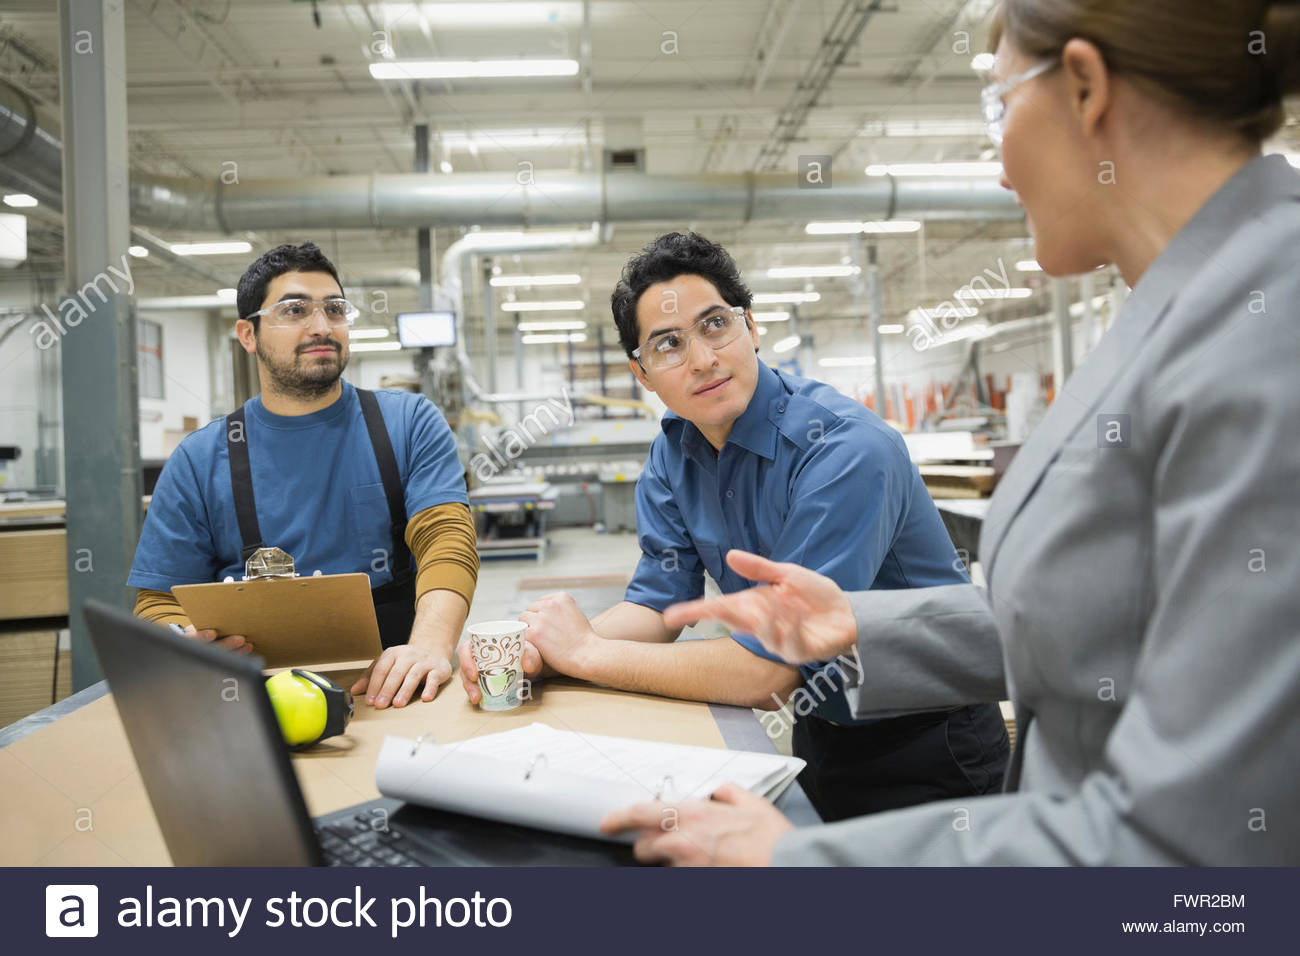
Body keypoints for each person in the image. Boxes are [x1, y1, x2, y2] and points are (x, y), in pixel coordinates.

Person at [600, 0, 1300, 865]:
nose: (1001, 167)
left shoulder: (1269, 331)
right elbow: (1105, 619)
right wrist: (862, 627)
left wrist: (803, 864)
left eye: (997, 106)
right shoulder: (1191, 307)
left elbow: (1198, 835)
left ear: (1084, 86)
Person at [458, 232, 1009, 821]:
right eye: (668, 344)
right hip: (820, 730)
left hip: (932, 743)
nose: (702, 358)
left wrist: (587, 654)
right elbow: (656, 605)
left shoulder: (846, 450)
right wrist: (541, 649)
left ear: (751, 327)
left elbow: (767, 670)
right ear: (642, 372)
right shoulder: (674, 455)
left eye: (715, 325)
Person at [130, 242, 478, 710]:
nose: (321, 326)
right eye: (294, 310)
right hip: (251, 695)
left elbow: (446, 539)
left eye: (335, 310)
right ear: (248, 334)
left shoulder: (408, 422)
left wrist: (431, 644)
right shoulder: (200, 458)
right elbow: (158, 601)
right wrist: (183, 644)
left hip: (396, 684)